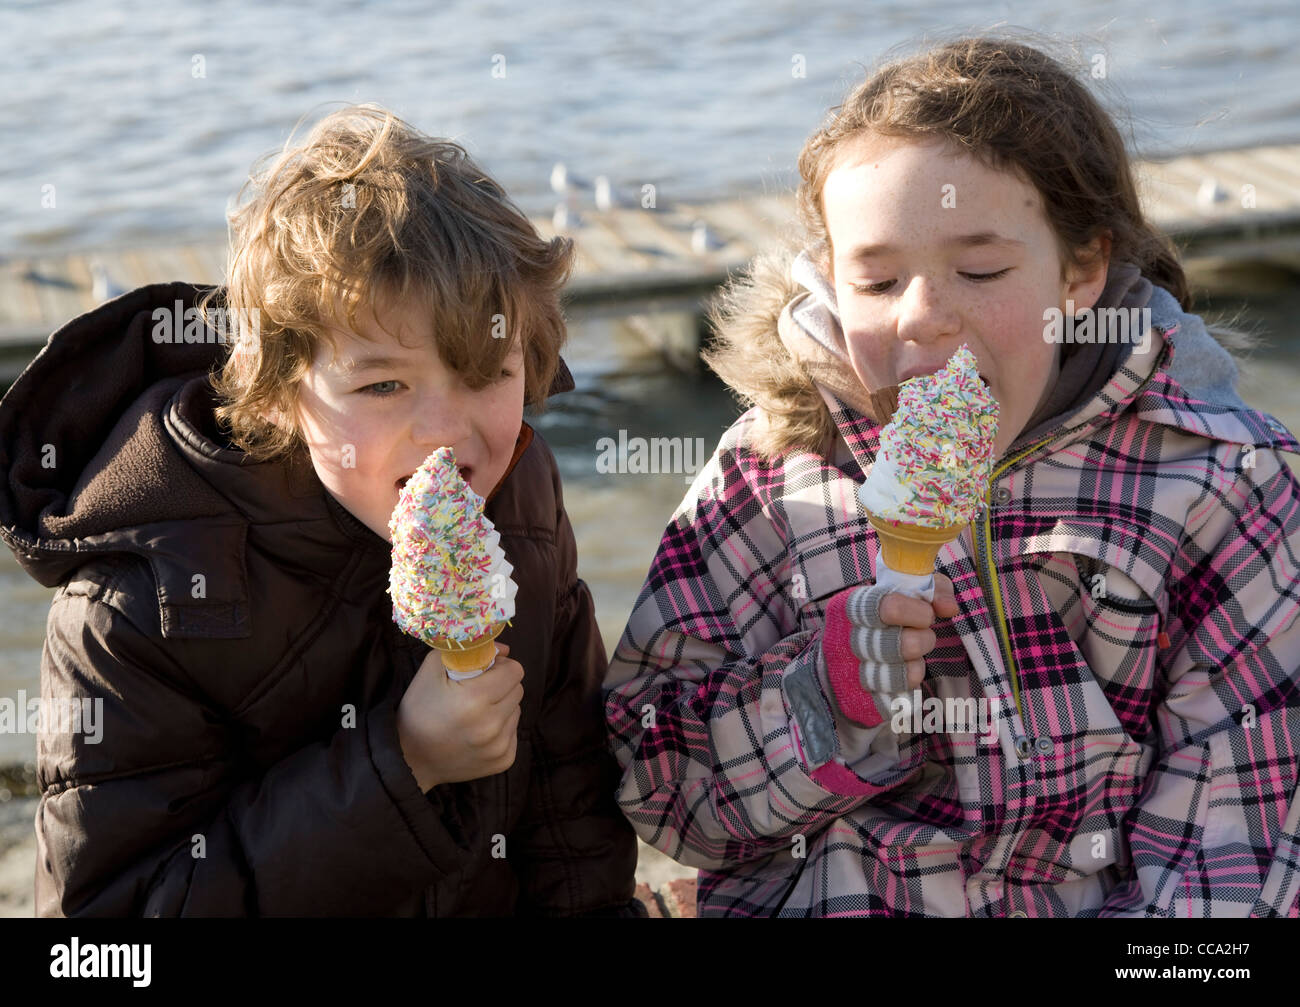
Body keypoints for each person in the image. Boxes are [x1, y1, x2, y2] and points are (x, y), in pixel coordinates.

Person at [603, 37, 1300, 917]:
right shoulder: (773, 471)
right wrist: (825, 697)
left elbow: (1236, 855)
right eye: (878, 277)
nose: (924, 317)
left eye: (981, 269)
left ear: (1081, 271)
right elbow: (657, 786)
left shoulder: (1224, 487)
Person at [0, 105, 642, 916]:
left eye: (488, 371)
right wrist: (399, 765)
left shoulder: (520, 498)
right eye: (382, 385)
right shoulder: (133, 610)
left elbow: (571, 804)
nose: (448, 437)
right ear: (278, 392)